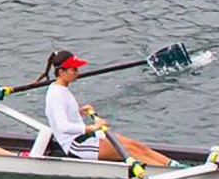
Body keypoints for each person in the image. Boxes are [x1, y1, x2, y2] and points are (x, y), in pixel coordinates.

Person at [39, 49, 173, 167]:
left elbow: (63, 116)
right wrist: (92, 127)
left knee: (137, 145)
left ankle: (175, 165)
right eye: (74, 69)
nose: (77, 73)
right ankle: (170, 173)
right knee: (130, 151)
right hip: (75, 145)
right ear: (61, 72)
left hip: (86, 136)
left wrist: (79, 112)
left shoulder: (61, 88)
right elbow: (63, 127)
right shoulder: (56, 94)